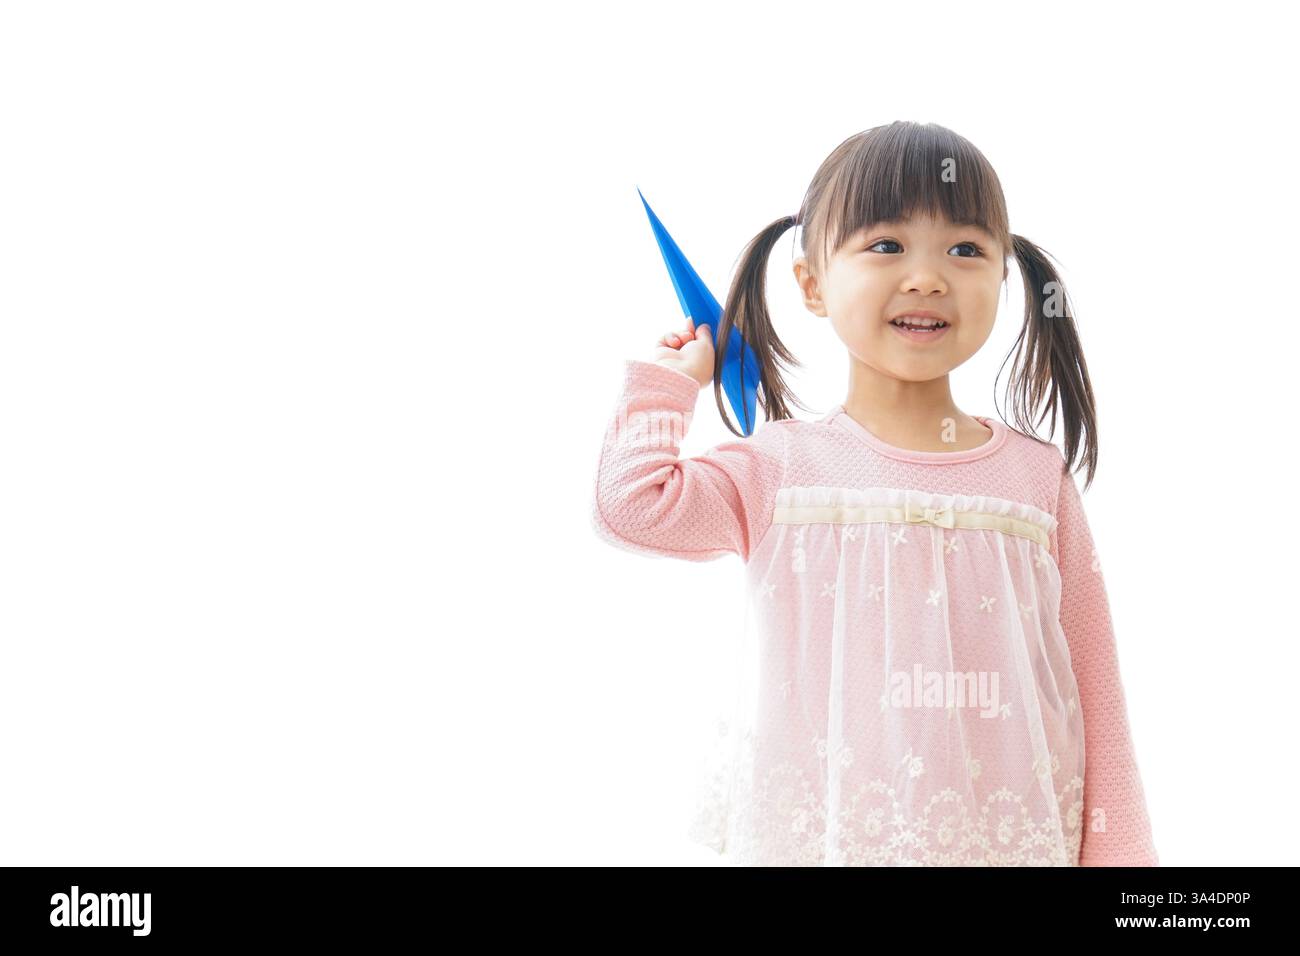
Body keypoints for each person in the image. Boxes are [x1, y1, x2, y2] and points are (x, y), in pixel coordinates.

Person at [589, 121, 1158, 867]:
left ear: (1003, 279)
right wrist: (671, 384)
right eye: (886, 245)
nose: (926, 277)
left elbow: (1095, 689)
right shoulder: (780, 471)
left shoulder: (1033, 481)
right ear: (813, 284)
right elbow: (631, 506)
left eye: (965, 249)